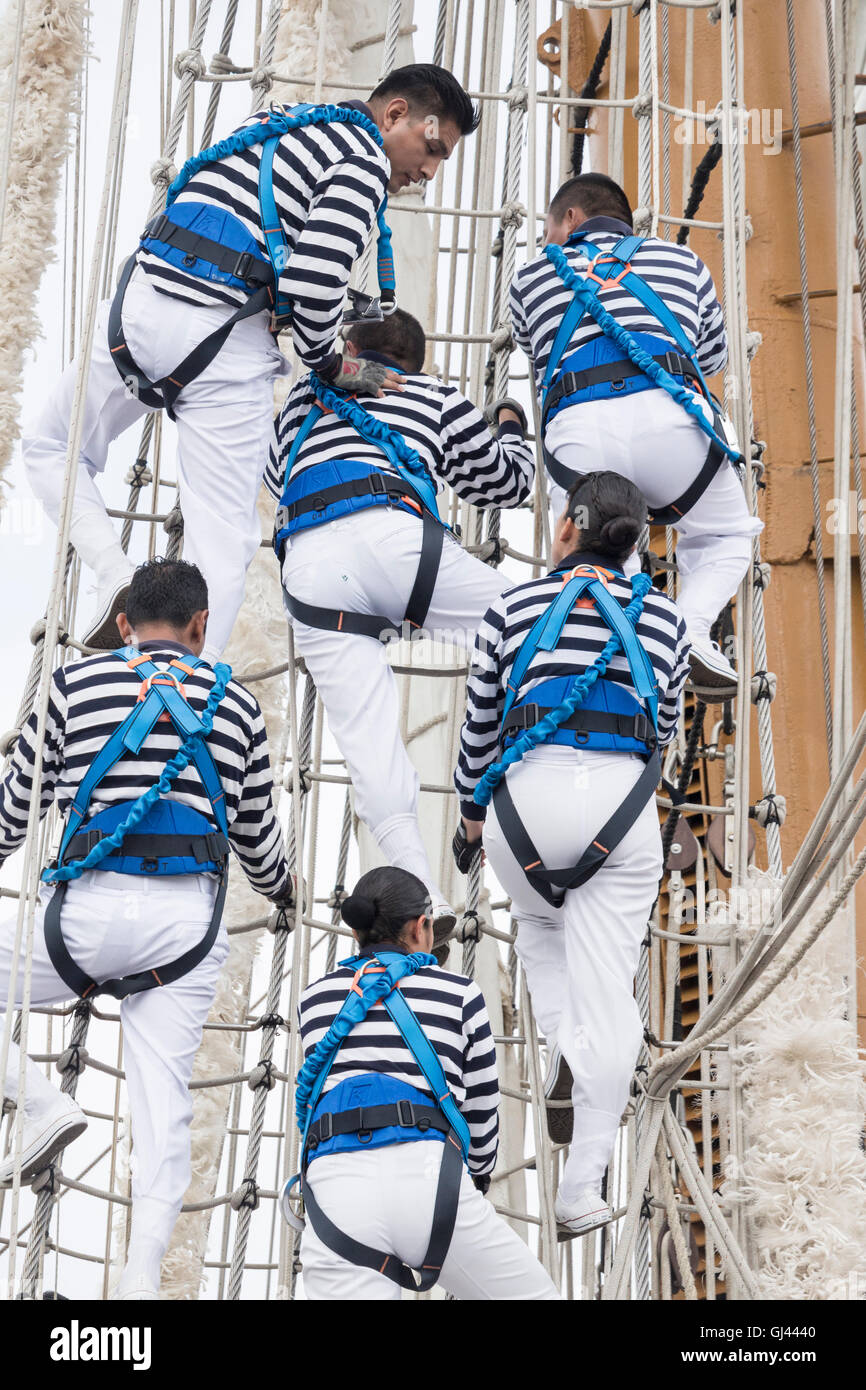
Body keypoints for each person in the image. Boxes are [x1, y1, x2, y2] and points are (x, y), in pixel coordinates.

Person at [24, 64, 480, 660]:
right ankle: (180, 686)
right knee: (223, 541)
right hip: (224, 348)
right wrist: (336, 366)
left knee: (50, 445)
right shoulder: (364, 163)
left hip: (137, 312)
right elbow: (313, 288)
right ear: (394, 115)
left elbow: (256, 236)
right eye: (433, 147)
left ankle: (115, 577)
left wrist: (333, 304)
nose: (428, 172)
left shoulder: (279, 124)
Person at [0, 558, 295, 1299]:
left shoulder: (73, 685)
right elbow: (259, 843)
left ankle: (37, 1100)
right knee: (165, 1116)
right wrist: (285, 890)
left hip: (84, 920)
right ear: (202, 627)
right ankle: (138, 1286)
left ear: (124, 626)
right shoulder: (240, 708)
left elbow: (12, 812)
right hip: (184, 933)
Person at [453, 473, 690, 1236]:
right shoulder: (668, 622)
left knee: (544, 943)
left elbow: (479, 728)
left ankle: (564, 1047)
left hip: (524, 812)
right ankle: (580, 1189)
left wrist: (468, 820)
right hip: (619, 811)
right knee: (608, 993)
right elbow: (665, 727)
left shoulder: (510, 607)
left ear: (568, 527)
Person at [265, 307, 534, 934]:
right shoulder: (433, 393)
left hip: (312, 567)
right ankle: (515, 790)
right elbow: (508, 482)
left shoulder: (300, 400)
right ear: (415, 362)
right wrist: (510, 424)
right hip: (400, 542)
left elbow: (277, 479)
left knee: (371, 752)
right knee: (531, 631)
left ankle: (427, 901)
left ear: (349, 347)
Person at [510, 171, 763, 698]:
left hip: (582, 440)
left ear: (571, 219)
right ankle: (690, 631)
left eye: (548, 230)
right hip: (674, 430)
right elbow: (709, 356)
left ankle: (603, 655)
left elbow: (537, 355)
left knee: (594, 555)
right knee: (727, 535)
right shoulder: (684, 262)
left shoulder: (530, 278)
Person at [288, 865, 560, 1300]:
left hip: (336, 1190)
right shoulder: (459, 993)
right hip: (429, 1181)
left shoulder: (313, 999)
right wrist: (475, 1178)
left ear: (357, 933)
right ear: (422, 927)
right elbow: (482, 1113)